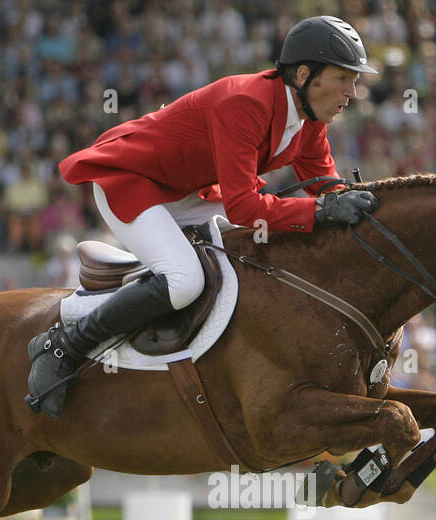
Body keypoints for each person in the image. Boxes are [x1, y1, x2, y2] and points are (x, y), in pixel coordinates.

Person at [26, 15, 381, 419]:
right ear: (304, 74)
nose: (353, 92)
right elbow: (245, 207)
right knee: (185, 281)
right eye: (343, 79)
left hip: (183, 191)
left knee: (254, 243)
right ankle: (62, 347)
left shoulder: (308, 116)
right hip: (130, 183)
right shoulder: (245, 102)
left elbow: (322, 180)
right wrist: (319, 211)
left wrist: (356, 207)